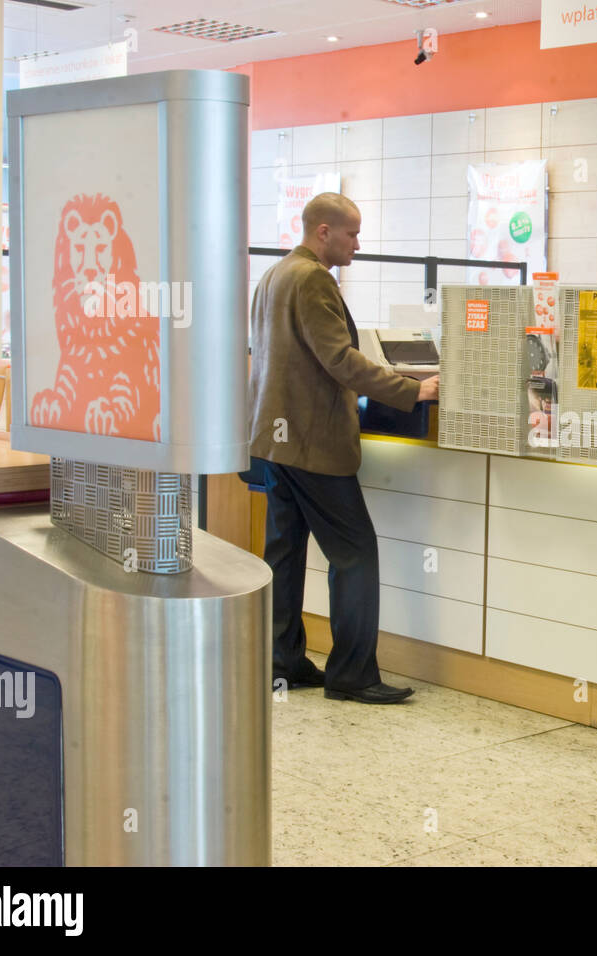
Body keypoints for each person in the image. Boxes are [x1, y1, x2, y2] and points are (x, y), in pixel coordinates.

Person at [247, 192, 439, 705]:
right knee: (355, 553)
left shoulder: (274, 275)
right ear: (323, 232)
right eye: (352, 234)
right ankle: (352, 673)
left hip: (275, 438)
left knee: (284, 553)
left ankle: (281, 662)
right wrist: (411, 389)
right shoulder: (313, 279)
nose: (358, 243)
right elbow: (339, 359)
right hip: (313, 442)